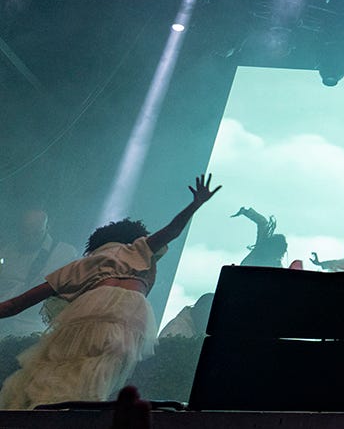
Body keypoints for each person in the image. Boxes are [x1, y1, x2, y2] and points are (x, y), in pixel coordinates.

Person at [0, 175, 219, 409]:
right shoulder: (138, 248)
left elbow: (16, 304)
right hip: (127, 318)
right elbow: (172, 231)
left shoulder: (82, 264)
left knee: (54, 379)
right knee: (90, 385)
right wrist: (195, 205)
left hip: (86, 316)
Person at [0, 208, 77, 338]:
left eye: (36, 232)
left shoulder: (65, 253)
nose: (29, 237)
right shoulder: (6, 251)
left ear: (47, 227)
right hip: (4, 324)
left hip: (37, 330)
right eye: (25, 231)